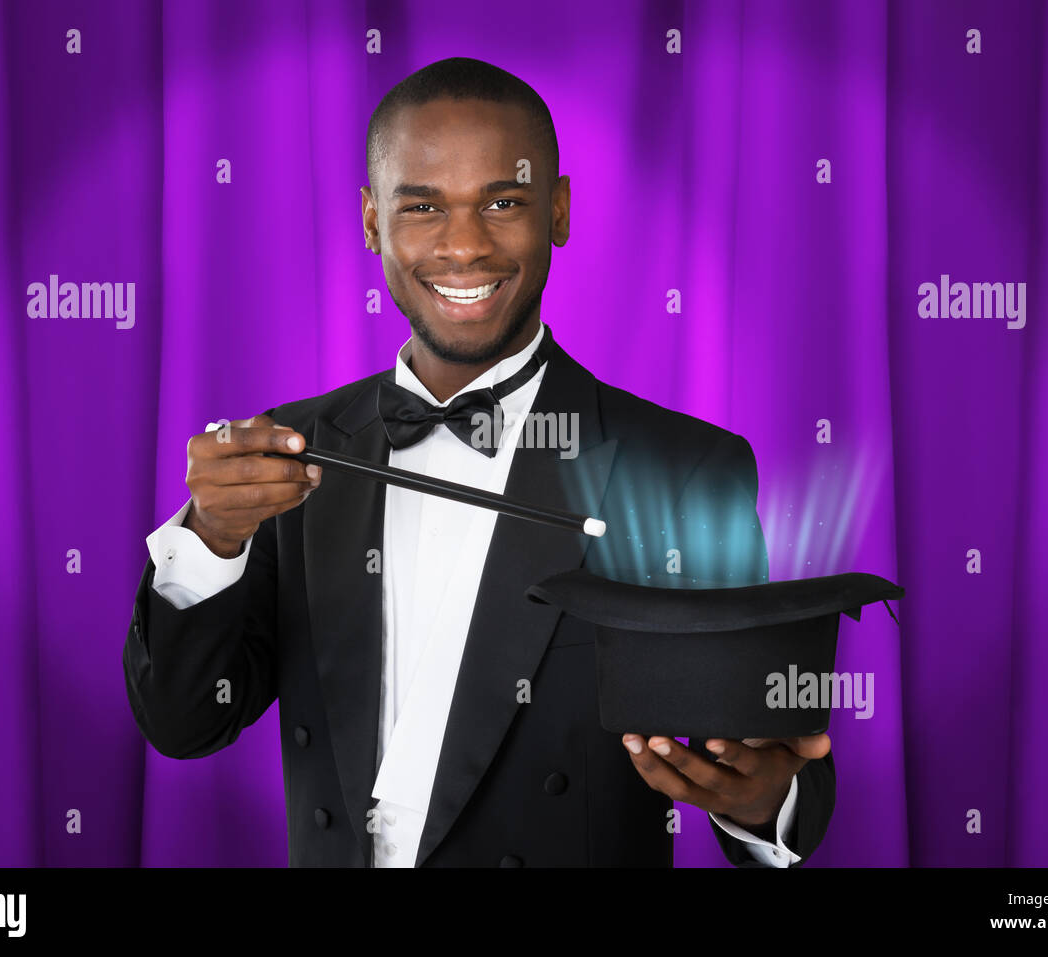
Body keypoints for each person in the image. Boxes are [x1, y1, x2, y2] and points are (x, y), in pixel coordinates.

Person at [123, 57, 834, 868]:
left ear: (559, 211)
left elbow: (771, 758)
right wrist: (211, 537)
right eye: (422, 206)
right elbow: (184, 723)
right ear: (370, 221)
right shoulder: (293, 450)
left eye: (503, 201)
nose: (463, 245)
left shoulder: (682, 468)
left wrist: (763, 800)